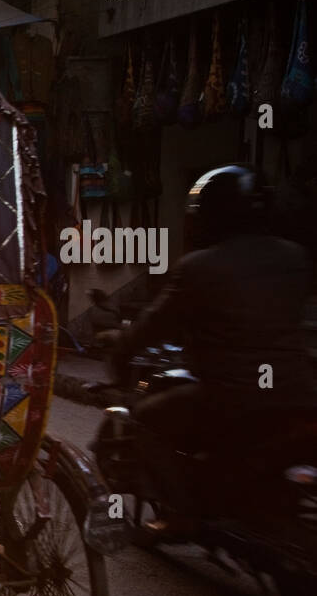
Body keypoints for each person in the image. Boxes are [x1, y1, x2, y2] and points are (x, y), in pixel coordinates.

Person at [111, 164, 316, 533]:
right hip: (299, 395)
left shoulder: (199, 267)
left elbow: (153, 325)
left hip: (232, 397)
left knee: (145, 419)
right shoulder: (294, 258)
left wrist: (121, 347)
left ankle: (182, 513)